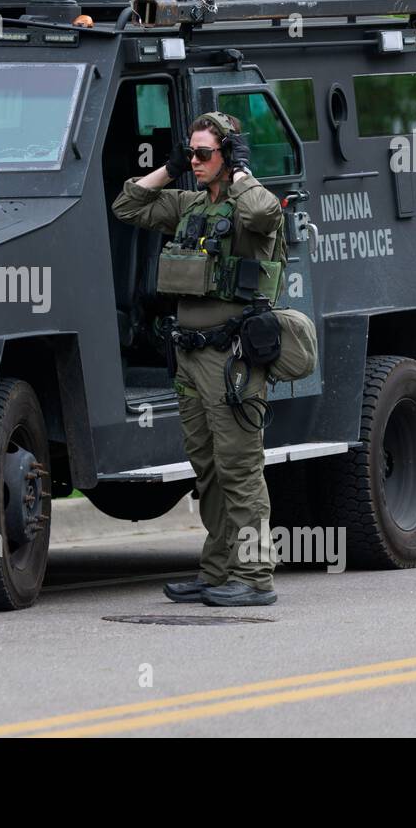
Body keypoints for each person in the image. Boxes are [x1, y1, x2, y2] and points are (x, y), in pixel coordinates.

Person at [111, 111, 284, 607]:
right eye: (191, 153)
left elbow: (267, 215)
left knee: (239, 468)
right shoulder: (189, 204)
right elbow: (127, 205)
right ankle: (217, 570)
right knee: (207, 468)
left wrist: (243, 173)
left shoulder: (247, 205)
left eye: (204, 153)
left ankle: (253, 577)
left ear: (227, 155)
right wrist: (168, 167)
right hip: (189, 357)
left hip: (230, 358)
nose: (196, 161)